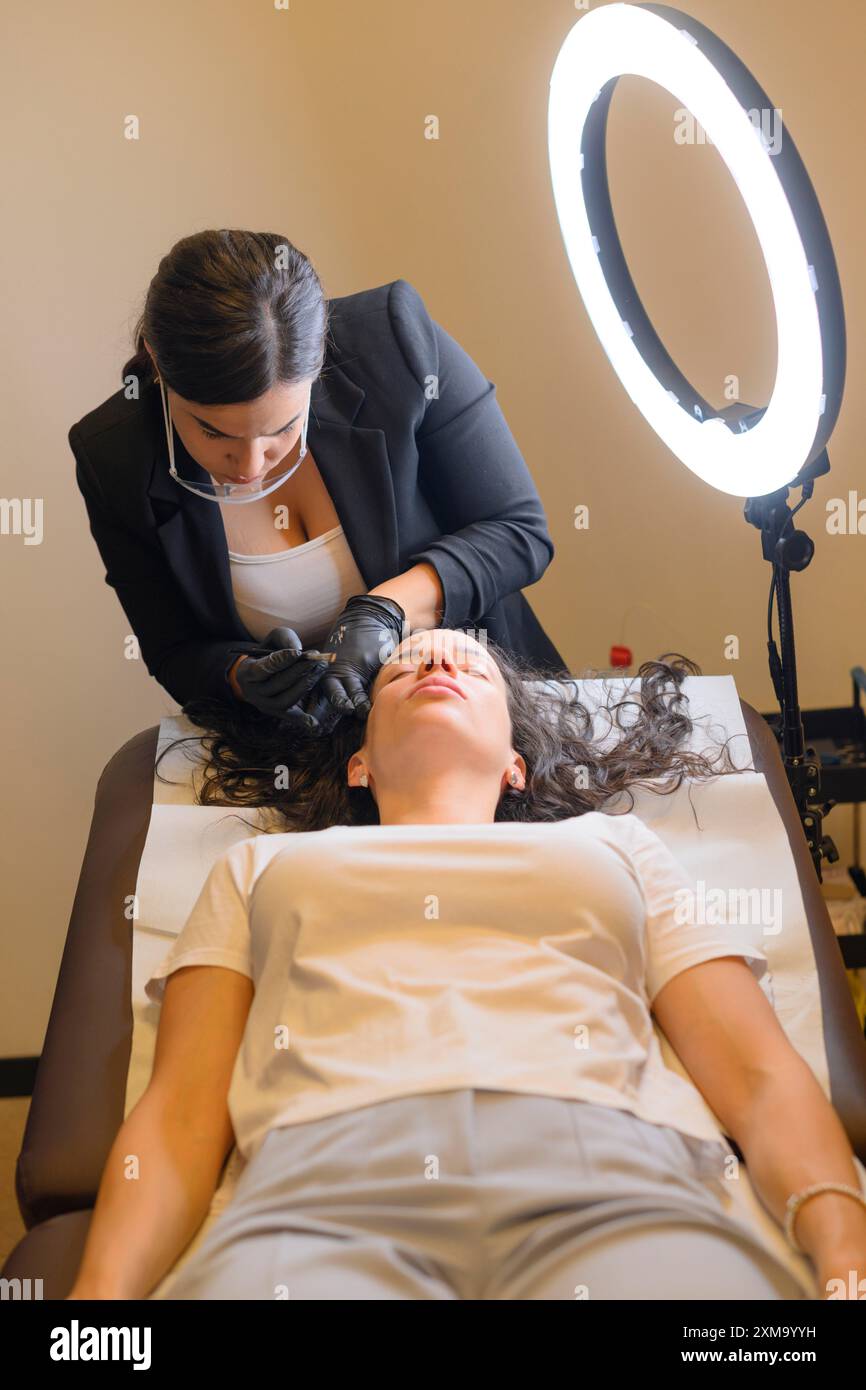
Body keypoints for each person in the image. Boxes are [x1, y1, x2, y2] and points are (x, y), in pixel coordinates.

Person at [66, 632, 866, 1300]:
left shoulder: (616, 846)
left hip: (613, 1175)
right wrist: (95, 1317)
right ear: (359, 765)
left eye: (472, 668)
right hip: (322, 1190)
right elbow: (178, 1120)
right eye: (402, 670)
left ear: (516, 765)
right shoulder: (259, 867)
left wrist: (845, 1260)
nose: (437, 666)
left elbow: (759, 1073)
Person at [69, 229, 566, 732]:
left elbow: (517, 531)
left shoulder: (395, 343)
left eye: (283, 428)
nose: (249, 467)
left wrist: (388, 611)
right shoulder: (113, 456)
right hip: (307, 751)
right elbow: (175, 650)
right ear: (156, 361)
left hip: (482, 716)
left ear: (317, 367)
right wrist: (242, 677)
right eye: (214, 431)